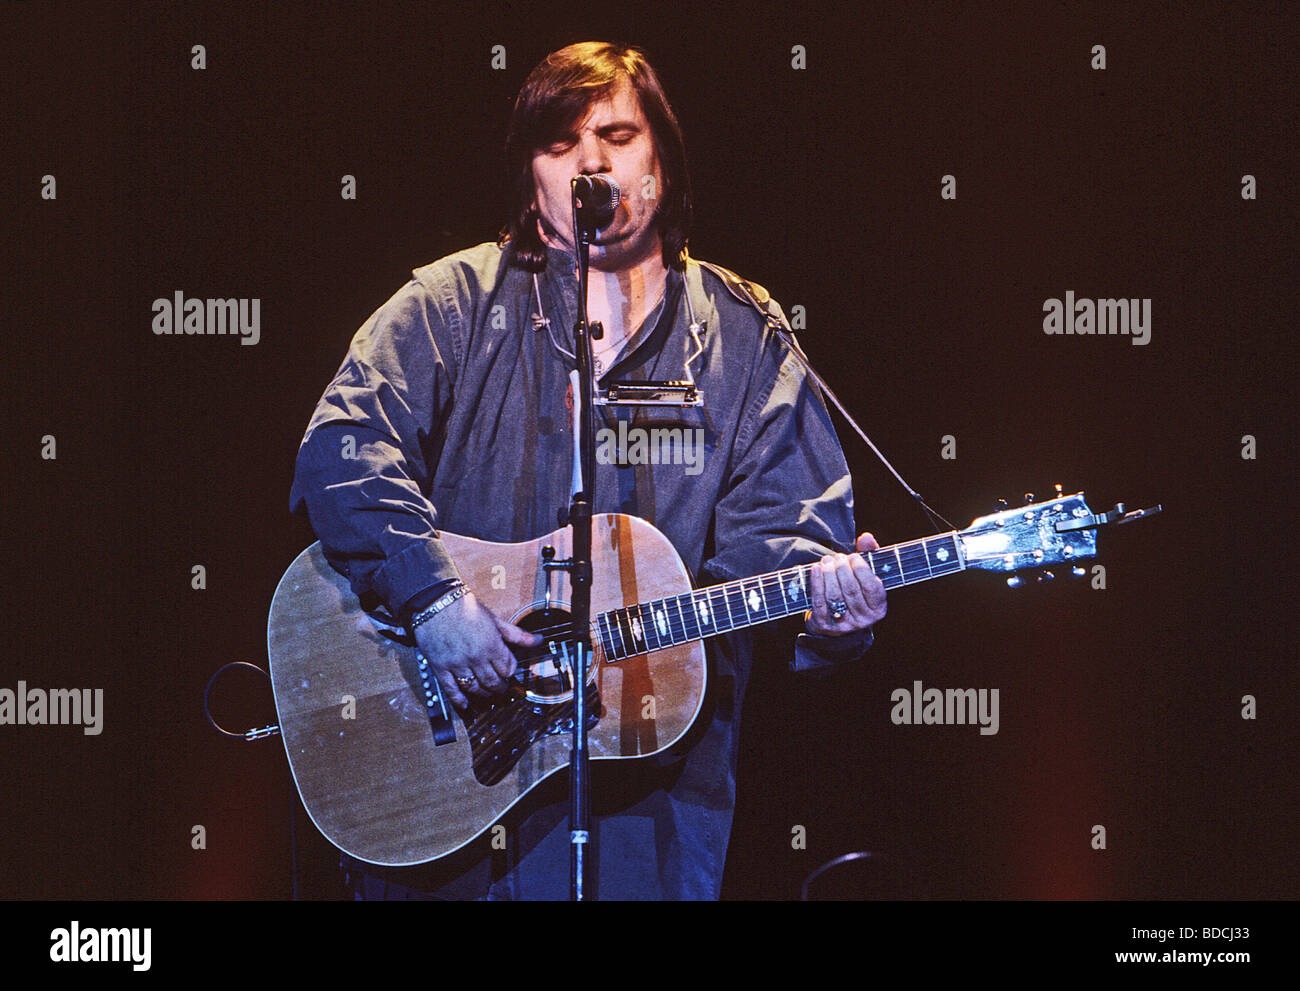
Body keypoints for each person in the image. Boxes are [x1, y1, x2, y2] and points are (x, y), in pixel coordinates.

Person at [289, 41, 887, 900]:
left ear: (663, 164)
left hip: (644, 806)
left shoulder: (746, 338)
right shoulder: (454, 303)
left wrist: (834, 618)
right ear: (530, 176)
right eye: (559, 143)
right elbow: (340, 447)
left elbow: (785, 557)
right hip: (435, 797)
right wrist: (434, 599)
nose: (590, 162)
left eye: (614, 134)